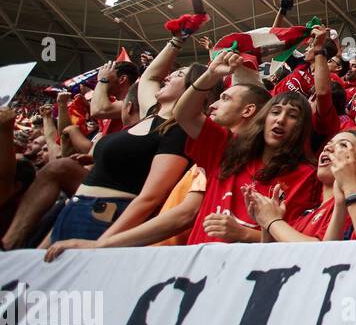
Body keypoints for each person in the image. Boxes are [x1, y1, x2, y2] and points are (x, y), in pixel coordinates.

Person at [45, 80, 273, 259]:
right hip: (159, 253)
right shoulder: (214, 155)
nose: (213, 105)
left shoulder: (227, 155)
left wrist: (102, 244)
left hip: (171, 258)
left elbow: (182, 213)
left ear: (248, 110)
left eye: (224, 99)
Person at [41, 39, 197, 245]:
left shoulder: (179, 130)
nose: (167, 77)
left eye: (178, 75)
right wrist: (178, 38)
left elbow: (151, 197)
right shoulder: (150, 113)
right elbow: (151, 76)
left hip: (107, 217)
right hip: (76, 208)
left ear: (193, 90)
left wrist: (101, 244)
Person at [173, 51, 319, 245]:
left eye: (292, 116)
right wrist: (211, 75)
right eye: (275, 112)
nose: (281, 119)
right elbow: (184, 115)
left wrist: (242, 234)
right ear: (264, 118)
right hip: (197, 268)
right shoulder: (225, 147)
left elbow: (293, 238)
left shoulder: (306, 176)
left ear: (301, 128)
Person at [245, 130, 356, 242]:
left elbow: (318, 253)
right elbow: (277, 256)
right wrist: (264, 221)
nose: (327, 148)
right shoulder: (308, 213)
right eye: (328, 144)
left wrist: (272, 221)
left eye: (343, 145)